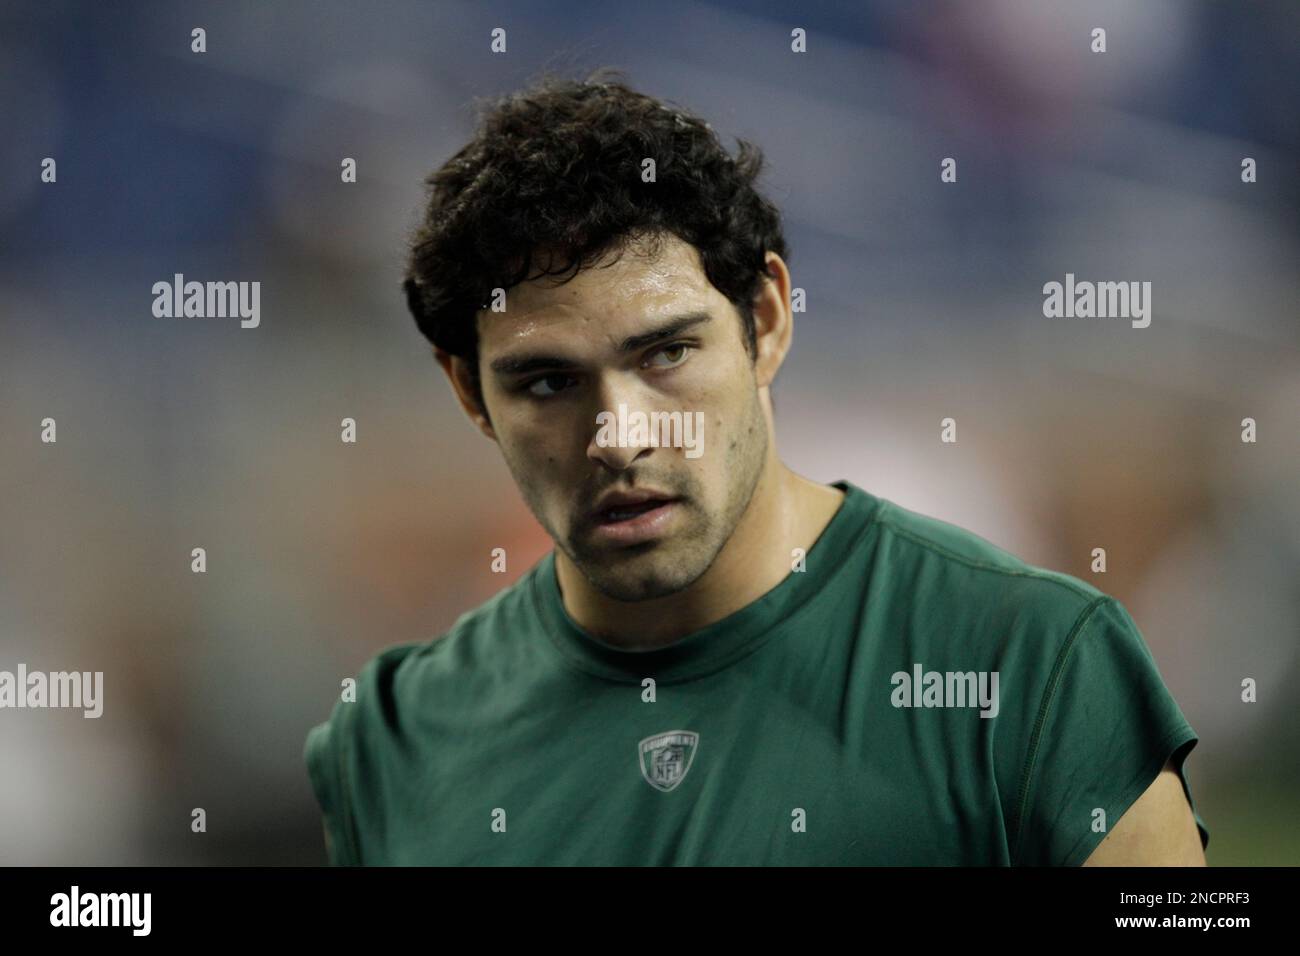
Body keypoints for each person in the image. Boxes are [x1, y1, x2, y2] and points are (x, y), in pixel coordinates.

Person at [304, 69, 1208, 865]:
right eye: (547, 381)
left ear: (766, 321)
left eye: (665, 355)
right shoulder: (395, 738)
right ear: (468, 391)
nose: (619, 436)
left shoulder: (1036, 665)